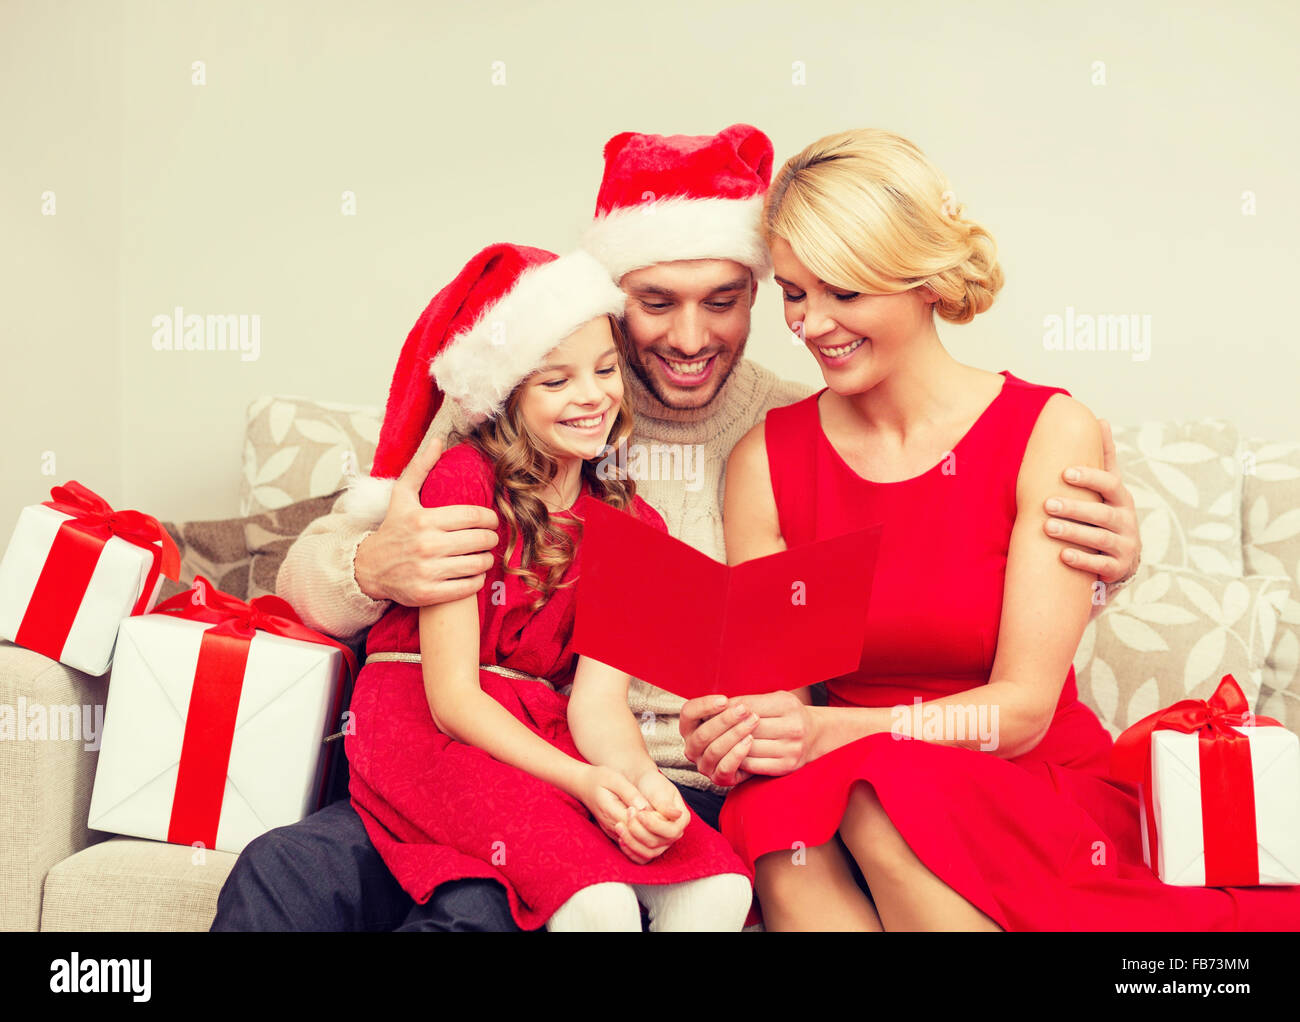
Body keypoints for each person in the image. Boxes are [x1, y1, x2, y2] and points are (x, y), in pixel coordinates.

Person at [211, 125, 1143, 932]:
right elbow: (306, 585)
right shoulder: (507, 409)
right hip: (470, 758)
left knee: (492, 908)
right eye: (655, 303)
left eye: (727, 299)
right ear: (607, 302)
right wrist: (372, 564)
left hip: (662, 782)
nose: (690, 337)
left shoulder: (777, 434)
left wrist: (1093, 574)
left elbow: (862, 623)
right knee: (288, 874)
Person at [694, 127, 1300, 931]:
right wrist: (749, 730)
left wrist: (829, 732)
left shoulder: (1047, 430)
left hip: (1012, 775)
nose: (811, 324)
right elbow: (780, 692)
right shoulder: (766, 459)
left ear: (923, 282)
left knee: (876, 792)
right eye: (796, 294)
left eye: (845, 292)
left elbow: (1018, 713)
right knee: (776, 819)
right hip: (839, 778)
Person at [345, 243, 752, 931]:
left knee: (716, 887)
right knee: (596, 900)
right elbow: (452, 702)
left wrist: (640, 787)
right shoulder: (463, 481)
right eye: (555, 382)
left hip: (545, 730)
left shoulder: (634, 522)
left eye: (603, 371)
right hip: (429, 729)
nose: (592, 396)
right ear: (507, 395)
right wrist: (585, 784)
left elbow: (597, 707)